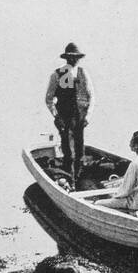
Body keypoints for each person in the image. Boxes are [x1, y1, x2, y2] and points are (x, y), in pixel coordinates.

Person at [44, 43, 92, 182]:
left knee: (79, 150)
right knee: (68, 150)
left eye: (76, 57)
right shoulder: (57, 74)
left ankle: (78, 178)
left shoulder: (84, 73)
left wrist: (88, 116)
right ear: (66, 58)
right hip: (65, 118)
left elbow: (91, 96)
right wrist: (56, 116)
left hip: (80, 117)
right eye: (71, 57)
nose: (73, 59)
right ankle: (68, 179)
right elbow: (49, 98)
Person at [93, 131, 138, 213]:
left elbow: (126, 190)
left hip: (137, 203)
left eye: (131, 141)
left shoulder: (135, 163)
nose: (129, 144)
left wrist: (115, 197)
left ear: (136, 146)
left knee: (98, 203)